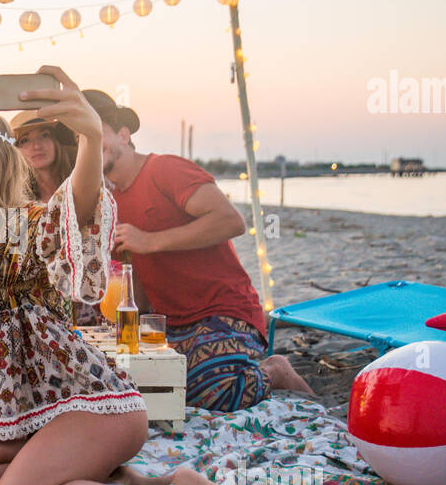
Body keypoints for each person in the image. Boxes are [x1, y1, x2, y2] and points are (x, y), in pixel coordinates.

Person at [0, 66, 251, 485]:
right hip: (42, 417)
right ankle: (121, 480)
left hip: (94, 410)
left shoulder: (26, 222)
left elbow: (75, 207)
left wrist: (91, 138)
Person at [88, 88, 314, 411]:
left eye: (99, 135)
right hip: (171, 325)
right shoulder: (109, 203)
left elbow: (231, 220)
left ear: (123, 135)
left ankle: (276, 370)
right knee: (147, 389)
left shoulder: (164, 169)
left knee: (210, 390)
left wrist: (149, 241)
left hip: (225, 311)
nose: (92, 147)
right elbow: (134, 275)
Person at [14, 116, 77, 203]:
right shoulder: (15, 200)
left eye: (44, 135)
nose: (37, 146)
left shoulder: (80, 182)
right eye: (25, 140)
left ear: (56, 142)